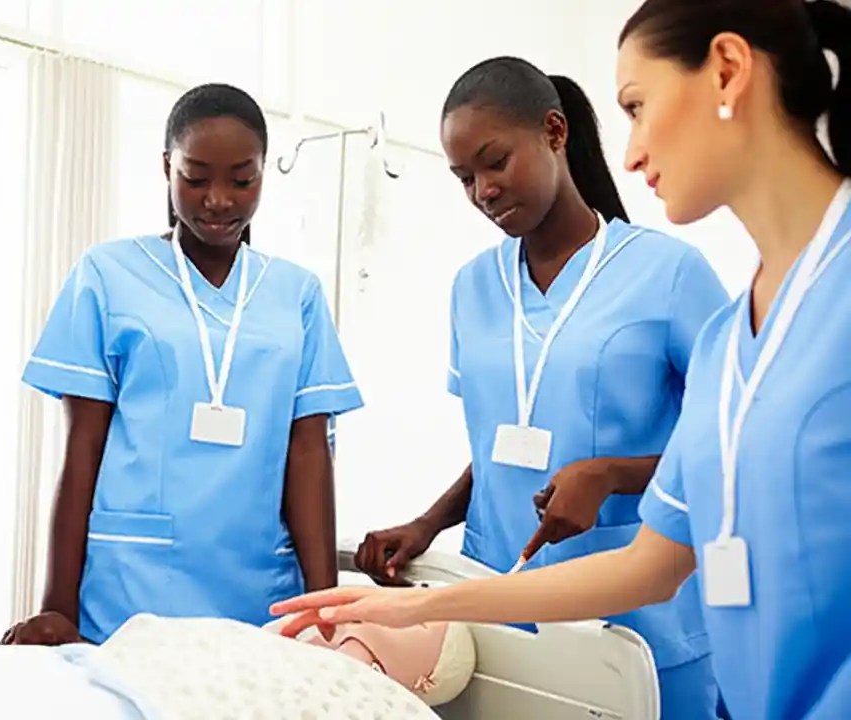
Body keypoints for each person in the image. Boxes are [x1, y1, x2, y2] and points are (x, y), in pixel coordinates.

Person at [274, 2, 851, 719]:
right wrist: (407, 606)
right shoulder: (740, 334)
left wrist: (609, 474)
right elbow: (649, 564)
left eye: (639, 108)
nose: (632, 152)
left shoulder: (754, 288)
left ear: (728, 71)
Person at [348, 56, 728, 717]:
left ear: (555, 132)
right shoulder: (473, 286)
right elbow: (500, 447)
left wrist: (613, 473)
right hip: (498, 592)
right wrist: (427, 524)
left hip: (636, 610)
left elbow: (733, 436)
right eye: (465, 178)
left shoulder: (668, 273)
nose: (483, 191)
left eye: (496, 163)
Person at [2, 83, 363, 647]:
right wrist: (56, 610)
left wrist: (326, 613)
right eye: (195, 178)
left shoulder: (297, 294)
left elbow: (308, 451)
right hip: (129, 593)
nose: (218, 199)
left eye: (242, 180)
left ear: (264, 174)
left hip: (257, 595)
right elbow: (82, 449)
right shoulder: (108, 273)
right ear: (166, 167)